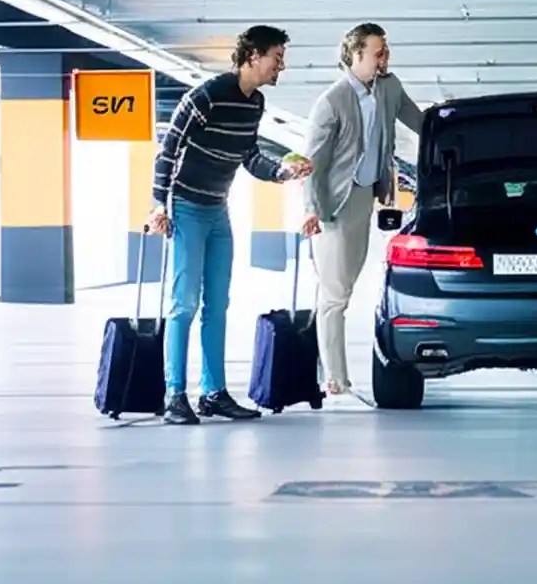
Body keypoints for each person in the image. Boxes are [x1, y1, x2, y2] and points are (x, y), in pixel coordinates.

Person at [146, 25, 313, 425]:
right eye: (277, 57)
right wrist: (157, 205)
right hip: (185, 208)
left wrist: (283, 173)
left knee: (217, 305)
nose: (281, 66)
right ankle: (174, 395)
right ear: (253, 56)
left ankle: (213, 393)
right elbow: (167, 152)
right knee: (183, 303)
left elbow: (250, 156)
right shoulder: (205, 96)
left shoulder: (254, 104)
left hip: (218, 210)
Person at [299, 22, 423, 395]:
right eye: (378, 52)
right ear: (356, 56)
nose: (385, 57)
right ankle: (335, 376)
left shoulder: (389, 87)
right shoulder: (332, 101)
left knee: (347, 287)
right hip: (334, 204)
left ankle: (327, 366)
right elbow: (313, 163)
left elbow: (421, 122)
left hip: (366, 197)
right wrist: (310, 210)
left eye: (386, 50)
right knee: (335, 294)